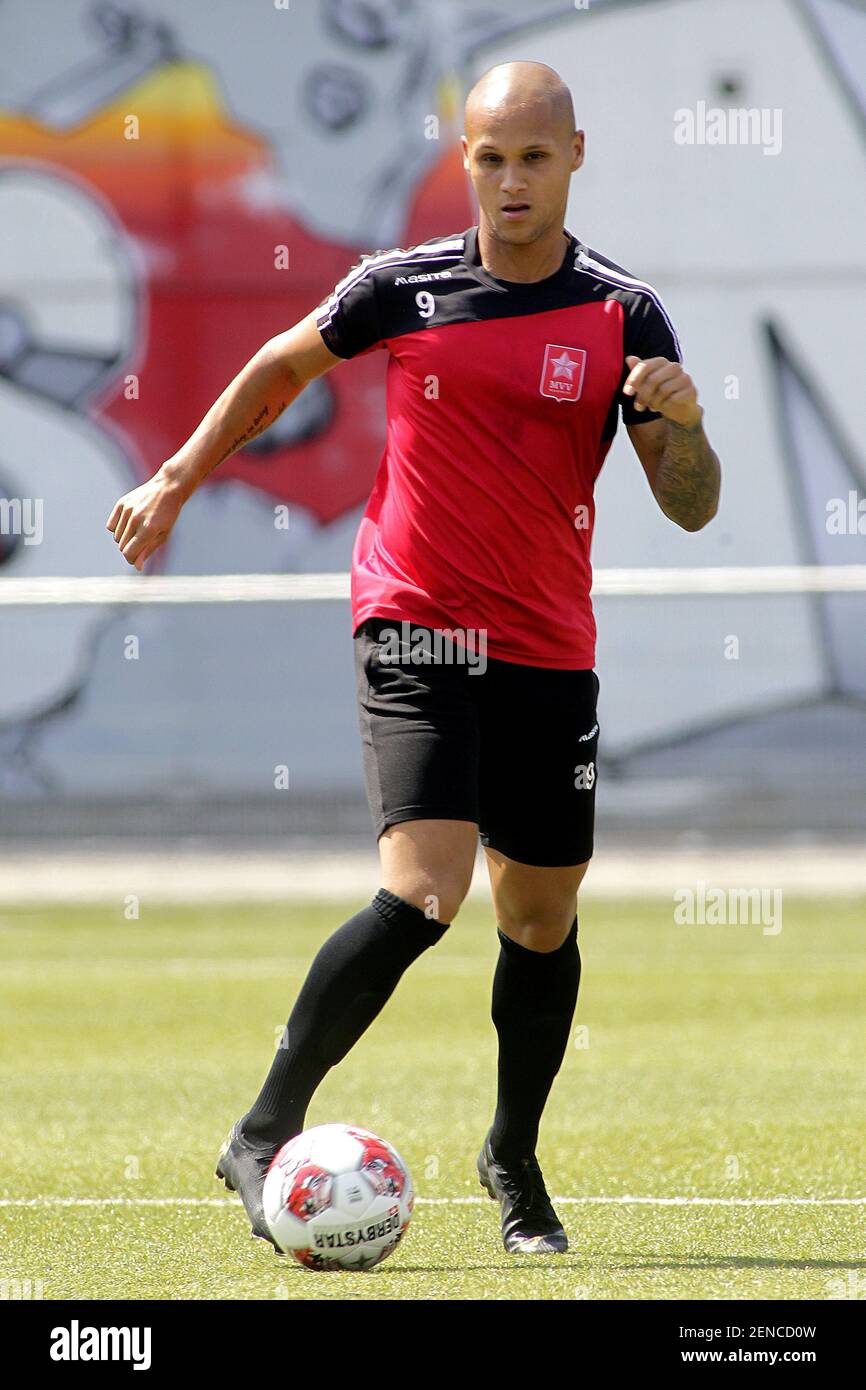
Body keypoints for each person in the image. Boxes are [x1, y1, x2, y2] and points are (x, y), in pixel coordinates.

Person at [106, 60, 720, 1255]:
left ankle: (513, 1158)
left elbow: (688, 504)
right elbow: (283, 364)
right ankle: (260, 1128)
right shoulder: (401, 287)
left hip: (549, 644)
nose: (507, 182)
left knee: (537, 917)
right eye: (487, 158)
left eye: (531, 158)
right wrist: (178, 476)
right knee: (425, 886)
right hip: (416, 620)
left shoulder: (623, 317)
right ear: (468, 164)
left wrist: (684, 428)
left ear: (573, 158)